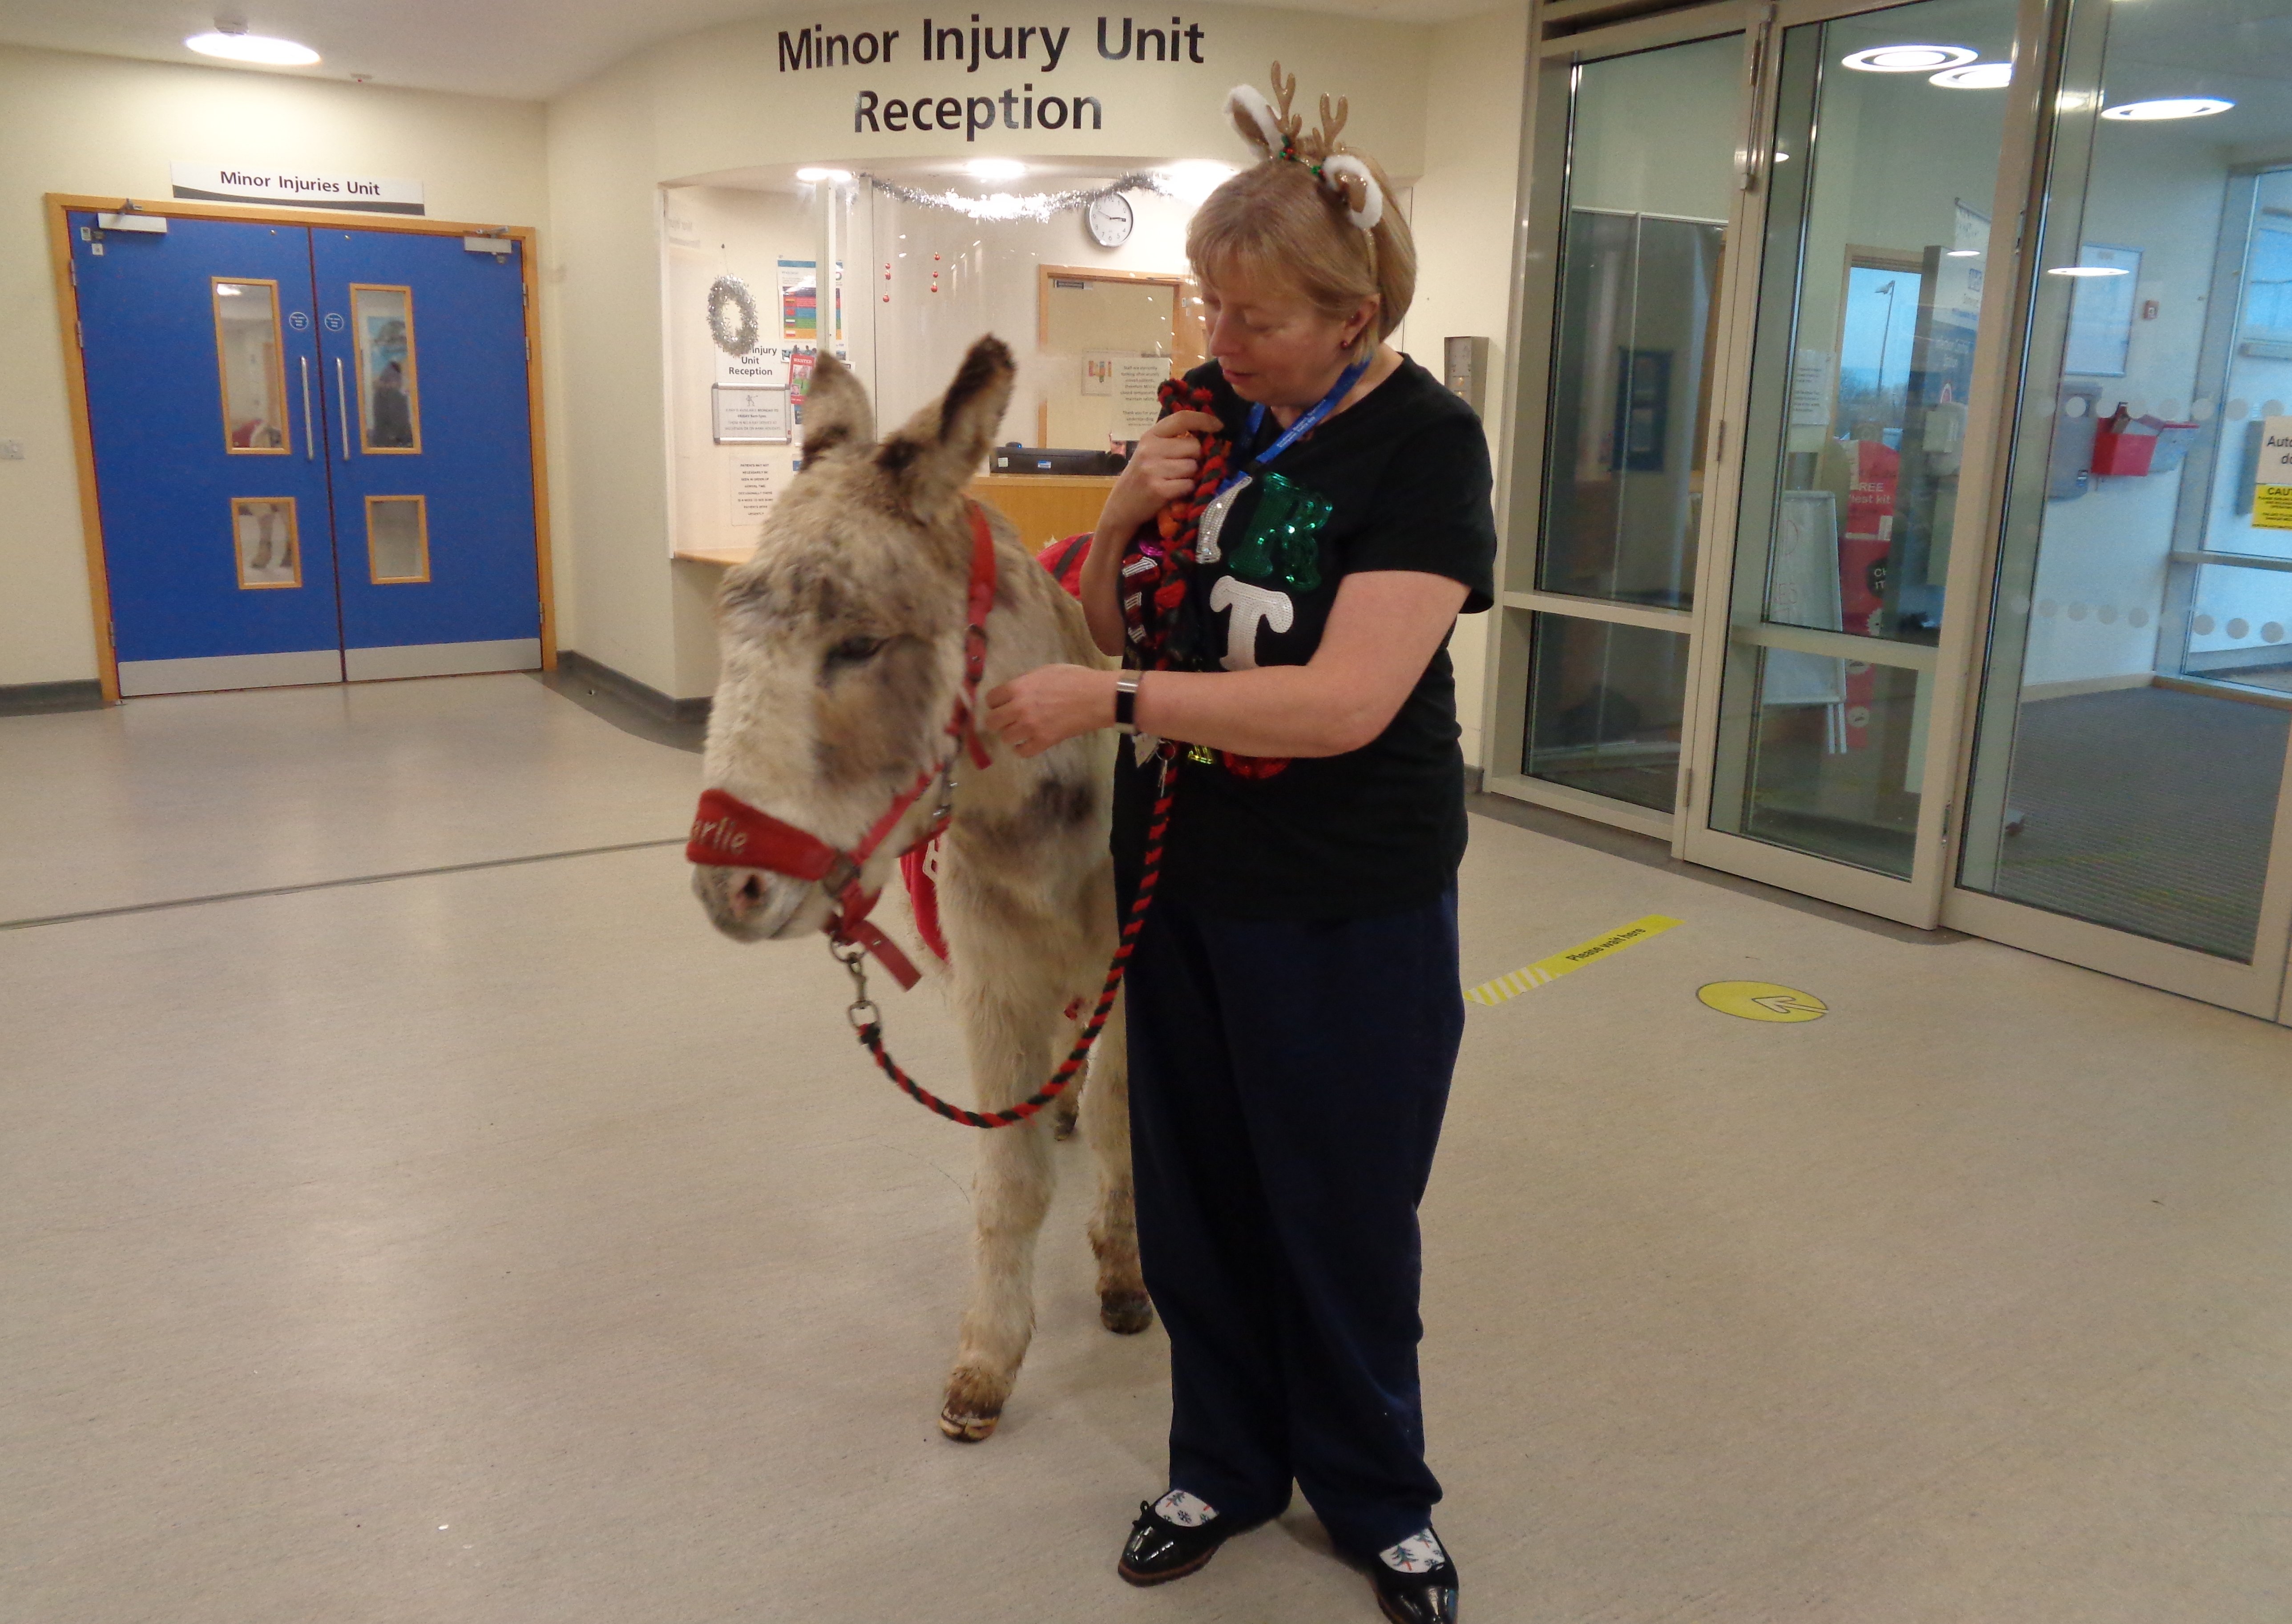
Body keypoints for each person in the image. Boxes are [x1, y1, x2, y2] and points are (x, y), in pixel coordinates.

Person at [982, 67, 1495, 1624]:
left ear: (1355, 314)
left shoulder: (1423, 444)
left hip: (1346, 895)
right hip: (1186, 880)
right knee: (1197, 1198)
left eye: (1257, 316)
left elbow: (1342, 701)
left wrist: (1112, 692)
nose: (1221, 342)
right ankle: (1218, 1461)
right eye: (1206, 307)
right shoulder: (1204, 427)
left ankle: (1377, 1493)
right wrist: (1133, 515)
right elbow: (1103, 628)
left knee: (1336, 1206)